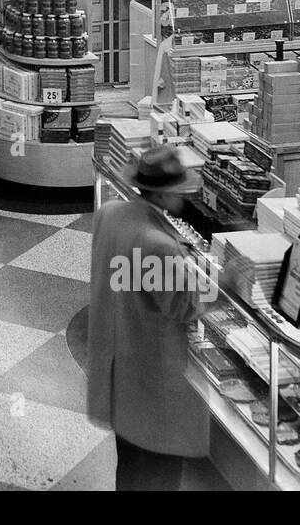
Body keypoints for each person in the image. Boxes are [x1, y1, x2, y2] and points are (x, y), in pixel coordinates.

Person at [86, 146, 210, 491]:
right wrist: (224, 284)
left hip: (119, 373)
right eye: (177, 191)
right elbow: (185, 307)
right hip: (153, 384)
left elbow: (130, 276)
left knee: (129, 470)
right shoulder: (157, 243)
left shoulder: (110, 214)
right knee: (158, 477)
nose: (184, 198)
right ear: (160, 192)